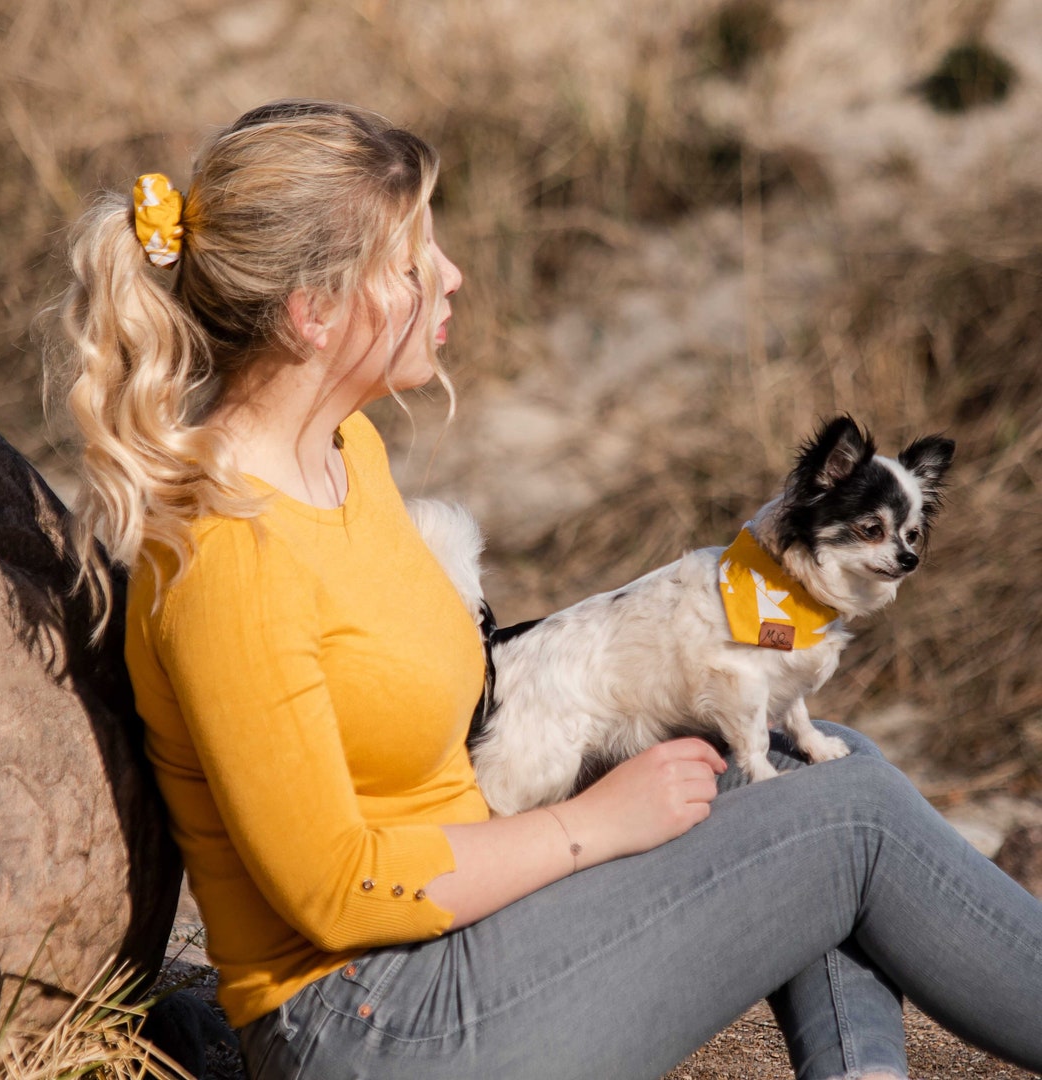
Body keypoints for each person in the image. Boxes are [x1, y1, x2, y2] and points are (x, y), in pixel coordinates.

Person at [52, 99, 1042, 1080]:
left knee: (815, 759)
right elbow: (336, 889)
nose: (453, 276)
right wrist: (587, 826)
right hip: (371, 1024)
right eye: (413, 263)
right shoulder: (229, 558)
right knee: (850, 815)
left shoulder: (340, 450)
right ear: (315, 315)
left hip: (455, 940)